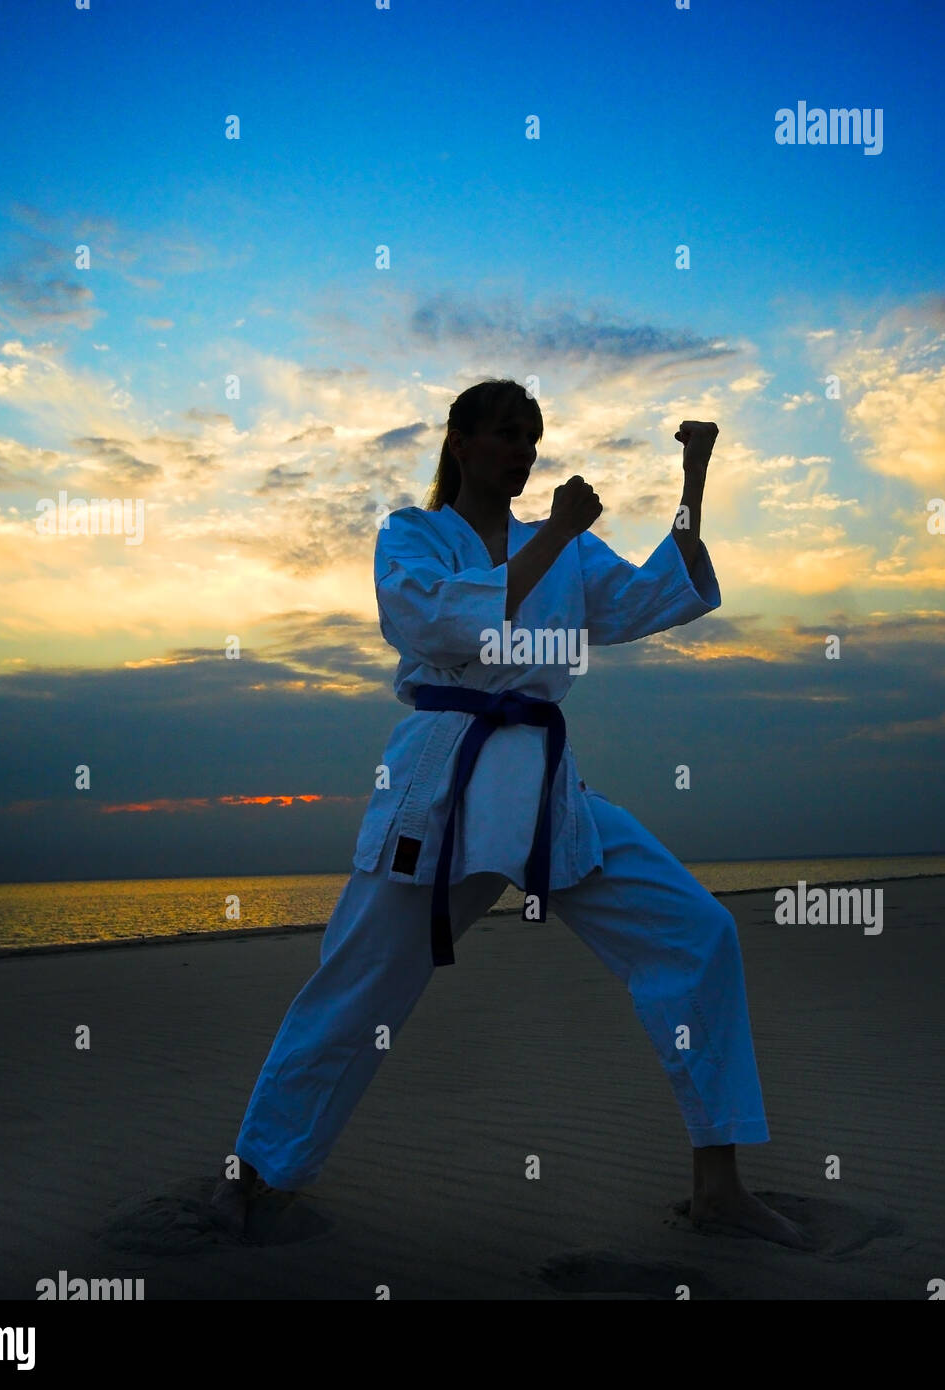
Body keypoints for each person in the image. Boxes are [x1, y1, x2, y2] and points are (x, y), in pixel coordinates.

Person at [211, 378, 806, 1248]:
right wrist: (563, 529)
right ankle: (256, 1172)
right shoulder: (411, 537)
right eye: (504, 434)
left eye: (531, 436)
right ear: (457, 442)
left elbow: (645, 598)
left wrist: (693, 481)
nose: (521, 451)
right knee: (356, 985)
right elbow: (455, 629)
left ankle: (718, 1187)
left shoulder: (558, 549)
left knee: (698, 934)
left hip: (542, 784)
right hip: (440, 783)